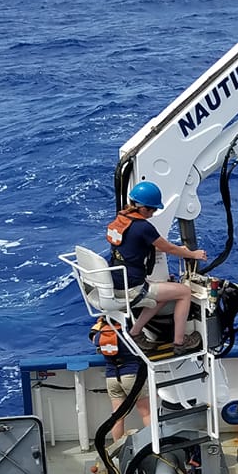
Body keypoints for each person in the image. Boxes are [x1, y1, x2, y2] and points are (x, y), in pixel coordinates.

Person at [106, 180, 206, 356]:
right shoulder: (143, 227)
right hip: (133, 288)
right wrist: (193, 254)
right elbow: (167, 248)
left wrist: (179, 250)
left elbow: (138, 245)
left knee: (164, 295)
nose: (153, 213)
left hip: (118, 282)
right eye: (152, 209)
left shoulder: (122, 219)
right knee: (183, 292)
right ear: (143, 208)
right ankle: (180, 342)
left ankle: (135, 333)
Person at [90, 318, 151, 443]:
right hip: (131, 376)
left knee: (117, 416)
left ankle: (117, 447)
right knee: (146, 413)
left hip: (112, 377)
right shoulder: (128, 332)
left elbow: (92, 338)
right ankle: (153, 444)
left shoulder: (100, 335)